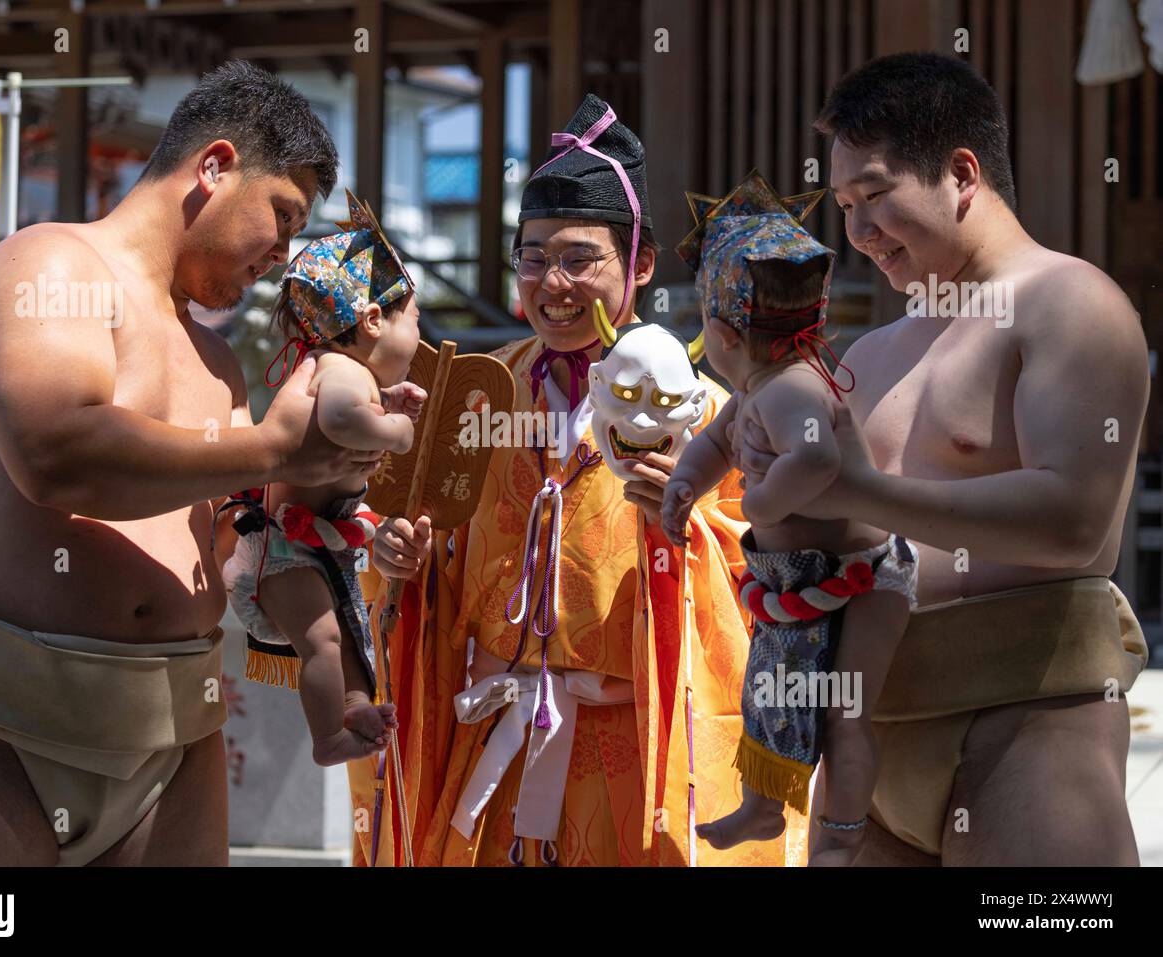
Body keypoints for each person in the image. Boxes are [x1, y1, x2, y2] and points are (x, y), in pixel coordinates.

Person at [0, 61, 379, 867]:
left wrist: (344, 522)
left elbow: (245, 541)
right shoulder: (50, 266)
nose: (283, 255)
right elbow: (57, 454)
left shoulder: (218, 362)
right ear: (215, 167)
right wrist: (272, 448)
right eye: (281, 216)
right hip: (3, 724)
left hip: (174, 732)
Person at [354, 94, 808, 866]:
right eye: (532, 258)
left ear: (639, 263)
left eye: (578, 258)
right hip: (493, 733)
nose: (551, 282)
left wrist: (689, 524)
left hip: (637, 748)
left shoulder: (711, 417)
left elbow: (769, 574)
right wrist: (400, 557)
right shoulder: (477, 391)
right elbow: (429, 547)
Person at [736, 52, 1149, 865]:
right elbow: (826, 521)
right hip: (869, 741)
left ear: (961, 172)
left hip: (1027, 723)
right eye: (845, 206)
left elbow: (1072, 520)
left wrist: (862, 487)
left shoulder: (1070, 302)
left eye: (876, 196)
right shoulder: (869, 351)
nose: (856, 231)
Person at [662, 170, 916, 866]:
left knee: (843, 712)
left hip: (863, 578)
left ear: (720, 330)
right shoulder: (756, 386)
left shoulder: (795, 387)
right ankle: (763, 804)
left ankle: (840, 837)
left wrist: (765, 499)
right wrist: (687, 480)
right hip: (794, 582)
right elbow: (715, 441)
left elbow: (818, 460)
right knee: (771, 694)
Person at [219, 191, 425, 767]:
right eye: (414, 319)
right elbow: (338, 418)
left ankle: (354, 705)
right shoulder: (340, 368)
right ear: (373, 319)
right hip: (282, 548)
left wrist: (382, 402)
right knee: (324, 642)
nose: (419, 334)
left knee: (346, 639)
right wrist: (396, 432)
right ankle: (327, 737)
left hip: (308, 544)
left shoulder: (342, 369)